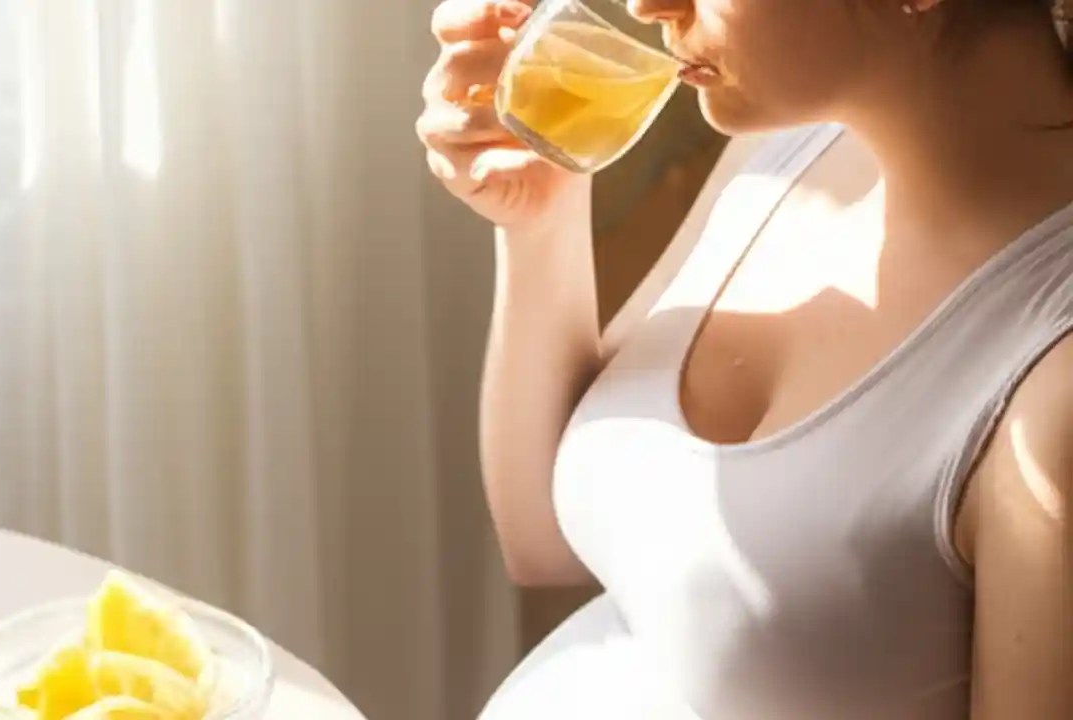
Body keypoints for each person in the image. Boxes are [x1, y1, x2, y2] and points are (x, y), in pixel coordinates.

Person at [416, 0, 1073, 717]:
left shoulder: (1049, 382)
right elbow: (545, 543)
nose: (646, 6)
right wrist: (543, 218)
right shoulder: (792, 150)